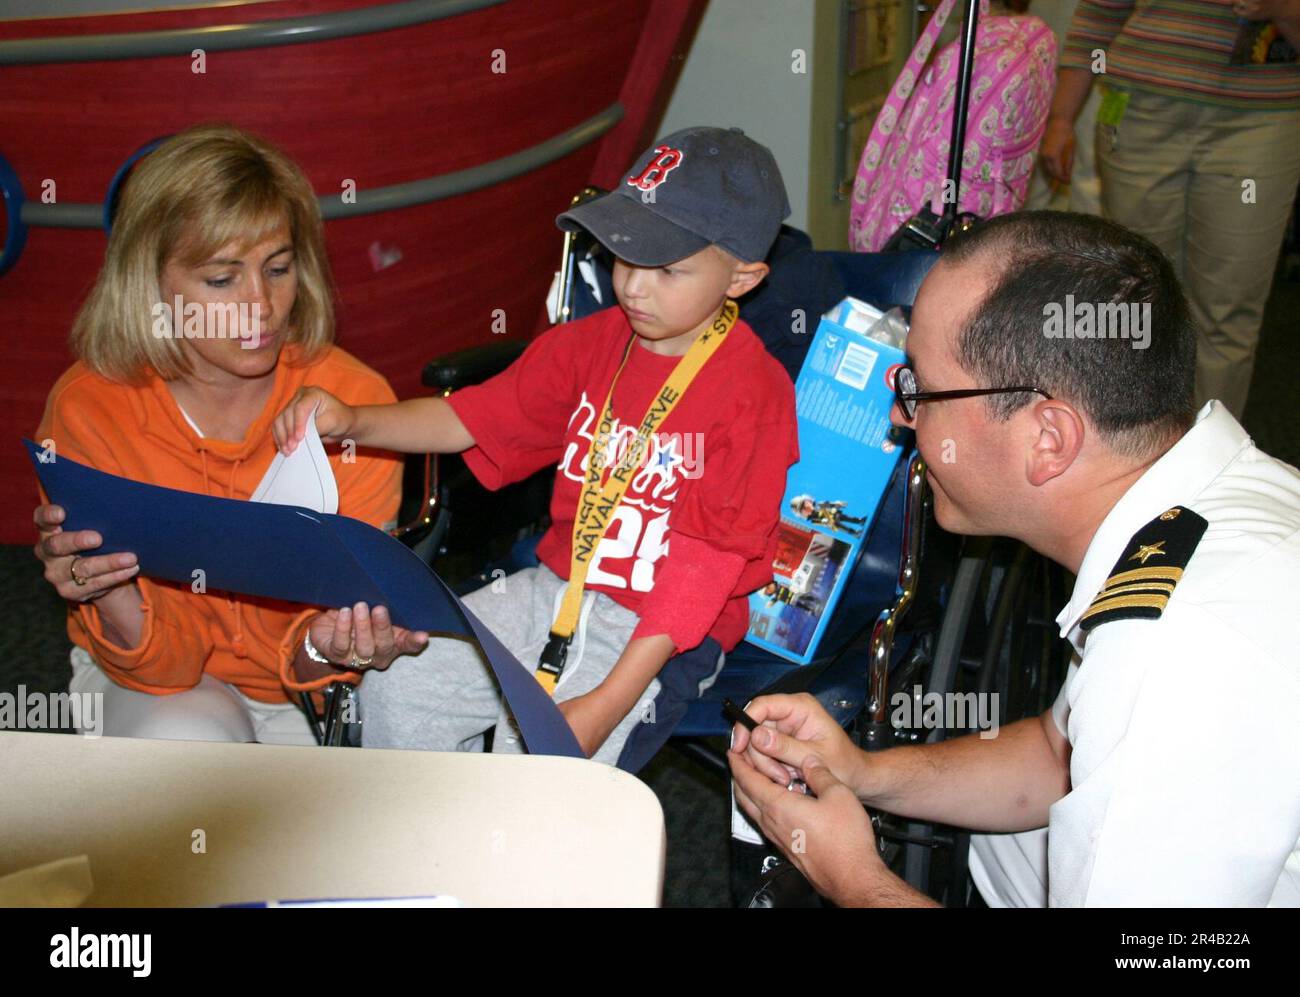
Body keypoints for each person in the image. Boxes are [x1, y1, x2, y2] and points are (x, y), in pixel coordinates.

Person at [729, 210, 1300, 906]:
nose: (902, 416)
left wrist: (851, 874)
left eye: (922, 389)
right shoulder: (1204, 499)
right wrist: (860, 770)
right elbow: (1054, 759)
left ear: (1048, 439)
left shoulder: (1179, 659)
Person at [274, 126, 800, 765]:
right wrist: (355, 420)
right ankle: (422, 847)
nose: (632, 286)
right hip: (555, 587)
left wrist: (605, 703)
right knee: (402, 685)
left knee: (549, 771)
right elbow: (466, 419)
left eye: (667, 270)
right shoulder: (589, 344)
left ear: (742, 278)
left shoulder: (753, 393)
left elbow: (702, 575)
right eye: (624, 254)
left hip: (663, 634)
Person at [33, 124, 423, 746]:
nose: (261, 306)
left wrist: (332, 652)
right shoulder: (90, 408)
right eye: (221, 280)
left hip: (303, 691)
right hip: (154, 680)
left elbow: (313, 667)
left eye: (278, 268)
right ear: (152, 284)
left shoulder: (357, 404)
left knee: (333, 822)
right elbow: (162, 669)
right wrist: (106, 594)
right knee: (188, 748)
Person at [1039, 0, 1300, 418]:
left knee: (1226, 312)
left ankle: (1211, 466)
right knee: (1134, 299)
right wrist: (1061, 118)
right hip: (1142, 110)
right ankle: (1133, 450)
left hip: (1260, 122)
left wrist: (1283, 9)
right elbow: (1100, 12)